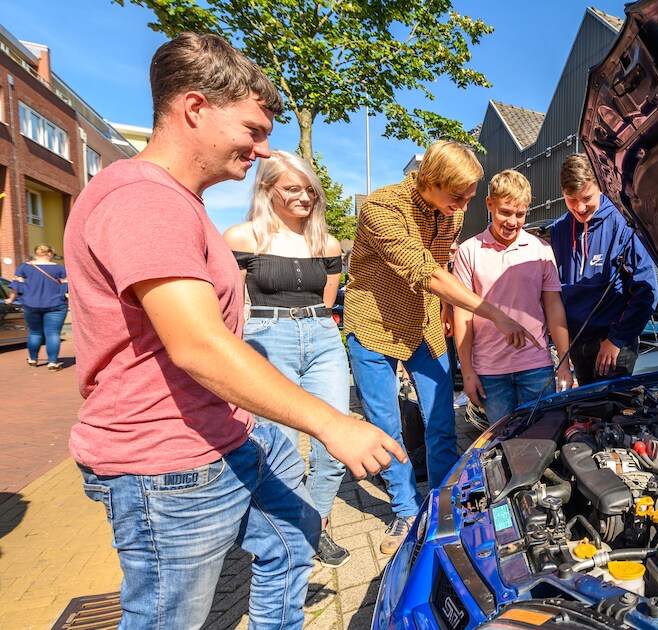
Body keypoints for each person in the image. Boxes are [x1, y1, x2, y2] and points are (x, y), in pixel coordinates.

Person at [63, 33, 404, 629]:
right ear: (194, 108)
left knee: (295, 537)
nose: (263, 148)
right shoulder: (145, 200)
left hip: (230, 433)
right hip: (169, 464)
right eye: (252, 129)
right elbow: (198, 345)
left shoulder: (179, 200)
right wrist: (332, 422)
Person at [343, 140, 539, 555]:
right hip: (374, 326)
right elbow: (422, 269)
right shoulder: (382, 209)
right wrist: (495, 314)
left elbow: (442, 263)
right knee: (386, 428)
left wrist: (449, 308)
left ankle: (444, 504)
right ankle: (404, 511)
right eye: (459, 197)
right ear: (430, 181)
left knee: (440, 420)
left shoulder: (451, 209)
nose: (466, 205)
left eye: (469, 197)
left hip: (425, 325)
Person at [223, 150, 352, 568]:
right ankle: (291, 530)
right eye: (293, 189)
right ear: (267, 189)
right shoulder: (242, 238)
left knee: (334, 443)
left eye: (308, 189)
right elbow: (228, 303)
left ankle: (318, 522)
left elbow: (327, 297)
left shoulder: (326, 242)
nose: (304, 197)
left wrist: (324, 330)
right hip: (266, 337)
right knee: (280, 449)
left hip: (322, 335)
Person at [452, 170, 574, 422]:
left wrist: (564, 363)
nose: (512, 222)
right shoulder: (468, 251)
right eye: (505, 212)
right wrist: (467, 372)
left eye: (520, 215)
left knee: (542, 440)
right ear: (489, 204)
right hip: (489, 371)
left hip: (536, 366)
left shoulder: (541, 250)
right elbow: (462, 314)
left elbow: (554, 308)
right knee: (502, 444)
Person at [549, 153, 658, 385]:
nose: (579, 207)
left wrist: (617, 339)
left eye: (586, 197)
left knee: (611, 414)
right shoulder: (558, 230)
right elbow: (554, 291)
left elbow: (647, 290)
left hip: (613, 344)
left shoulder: (624, 222)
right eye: (571, 199)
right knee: (586, 416)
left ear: (600, 186)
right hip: (576, 343)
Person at [6, 244, 69, 370]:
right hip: (56, 304)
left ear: (36, 253)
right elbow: (67, 287)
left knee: (35, 333)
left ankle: (33, 359)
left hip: (31, 304)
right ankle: (52, 362)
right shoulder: (60, 269)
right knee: (53, 334)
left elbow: (16, 286)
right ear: (50, 254)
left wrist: (11, 299)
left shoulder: (24, 267)